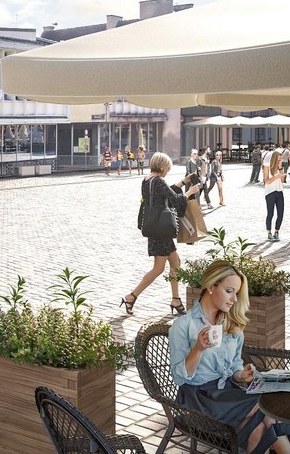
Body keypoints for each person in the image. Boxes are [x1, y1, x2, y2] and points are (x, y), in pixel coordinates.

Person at [169, 260, 290, 453]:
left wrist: (241, 375)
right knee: (266, 410)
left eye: (237, 293)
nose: (234, 299)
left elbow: (234, 365)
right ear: (210, 286)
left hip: (227, 392)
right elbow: (179, 377)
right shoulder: (184, 325)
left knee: (261, 424)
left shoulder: (232, 324)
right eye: (229, 291)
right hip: (198, 398)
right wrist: (198, 349)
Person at [122, 152, 200, 316]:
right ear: (163, 166)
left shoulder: (148, 180)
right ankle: (131, 296)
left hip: (158, 228)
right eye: (168, 168)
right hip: (161, 230)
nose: (167, 171)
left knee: (176, 262)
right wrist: (189, 191)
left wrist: (182, 182)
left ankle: (175, 299)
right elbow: (175, 200)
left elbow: (164, 194)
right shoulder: (158, 181)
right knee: (158, 269)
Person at [264, 148, 286, 241]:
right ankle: (269, 233)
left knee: (280, 213)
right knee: (270, 213)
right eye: (279, 158)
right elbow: (267, 181)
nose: (280, 160)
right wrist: (277, 176)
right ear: (275, 158)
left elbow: (282, 181)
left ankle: (276, 232)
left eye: (281, 159)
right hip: (270, 192)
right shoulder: (267, 166)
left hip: (279, 191)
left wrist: (280, 169)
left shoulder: (280, 167)